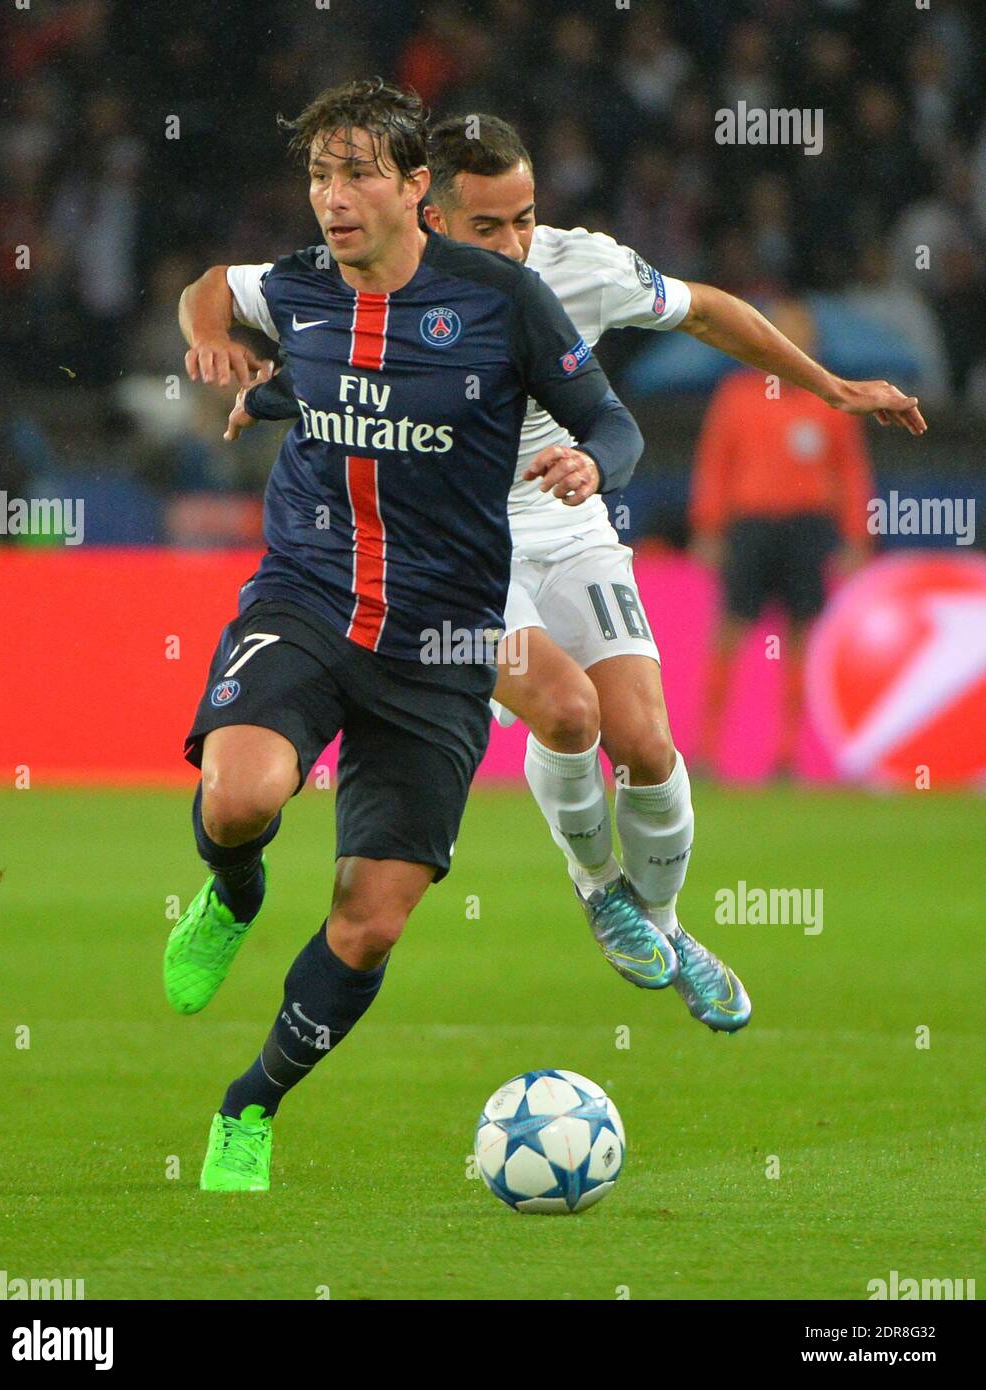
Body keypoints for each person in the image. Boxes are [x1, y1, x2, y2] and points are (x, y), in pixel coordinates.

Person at [235, 113, 926, 1040]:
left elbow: (711, 309)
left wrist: (830, 387)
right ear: (427, 208)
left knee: (645, 741)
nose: (518, 243)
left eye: (526, 216)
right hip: (453, 551)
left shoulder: (578, 265)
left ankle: (668, 926)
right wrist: (251, 376)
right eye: (491, 227)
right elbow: (277, 330)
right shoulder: (376, 271)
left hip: (569, 522)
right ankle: (600, 888)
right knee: (566, 713)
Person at [165, 80, 645, 1193]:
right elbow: (206, 290)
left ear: (415, 188)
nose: (334, 198)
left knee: (369, 924)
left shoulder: (501, 299)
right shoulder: (295, 286)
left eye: (358, 174)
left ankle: (250, 1104)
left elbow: (610, 420)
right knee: (241, 796)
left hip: (444, 642)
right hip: (308, 597)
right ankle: (233, 891)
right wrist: (218, 348)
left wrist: (591, 465)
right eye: (319, 175)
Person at [690, 300, 877, 778]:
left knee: (802, 639)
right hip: (751, 528)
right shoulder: (737, 395)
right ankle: (707, 750)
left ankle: (789, 755)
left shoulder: (832, 399)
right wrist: (709, 527)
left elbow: (852, 472)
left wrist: (857, 536)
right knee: (729, 634)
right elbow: (715, 463)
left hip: (808, 529)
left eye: (801, 337)